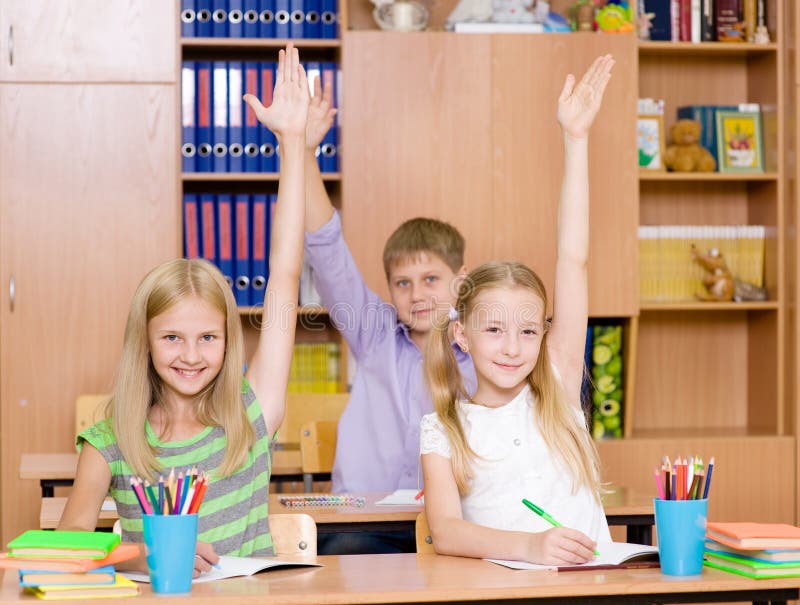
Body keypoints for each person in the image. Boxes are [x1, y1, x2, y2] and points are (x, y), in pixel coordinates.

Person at [57, 43, 310, 576]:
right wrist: (143, 556)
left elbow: (285, 275)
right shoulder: (110, 441)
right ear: (144, 342)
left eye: (208, 338)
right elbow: (70, 546)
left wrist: (292, 142)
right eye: (172, 337)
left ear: (228, 341)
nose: (192, 355)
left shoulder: (252, 412)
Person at [420, 54, 614, 565]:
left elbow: (573, 256)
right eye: (494, 330)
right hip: (506, 592)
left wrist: (575, 140)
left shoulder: (558, 385)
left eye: (528, 331)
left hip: (596, 590)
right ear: (461, 335)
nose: (512, 347)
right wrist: (532, 547)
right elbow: (447, 532)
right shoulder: (443, 428)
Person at [302, 76, 477, 554]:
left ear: (461, 281)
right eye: (403, 283)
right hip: (361, 523)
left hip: (450, 524)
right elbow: (326, 250)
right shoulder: (373, 331)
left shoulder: (484, 351)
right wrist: (305, 152)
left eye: (431, 279)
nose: (417, 295)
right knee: (345, 558)